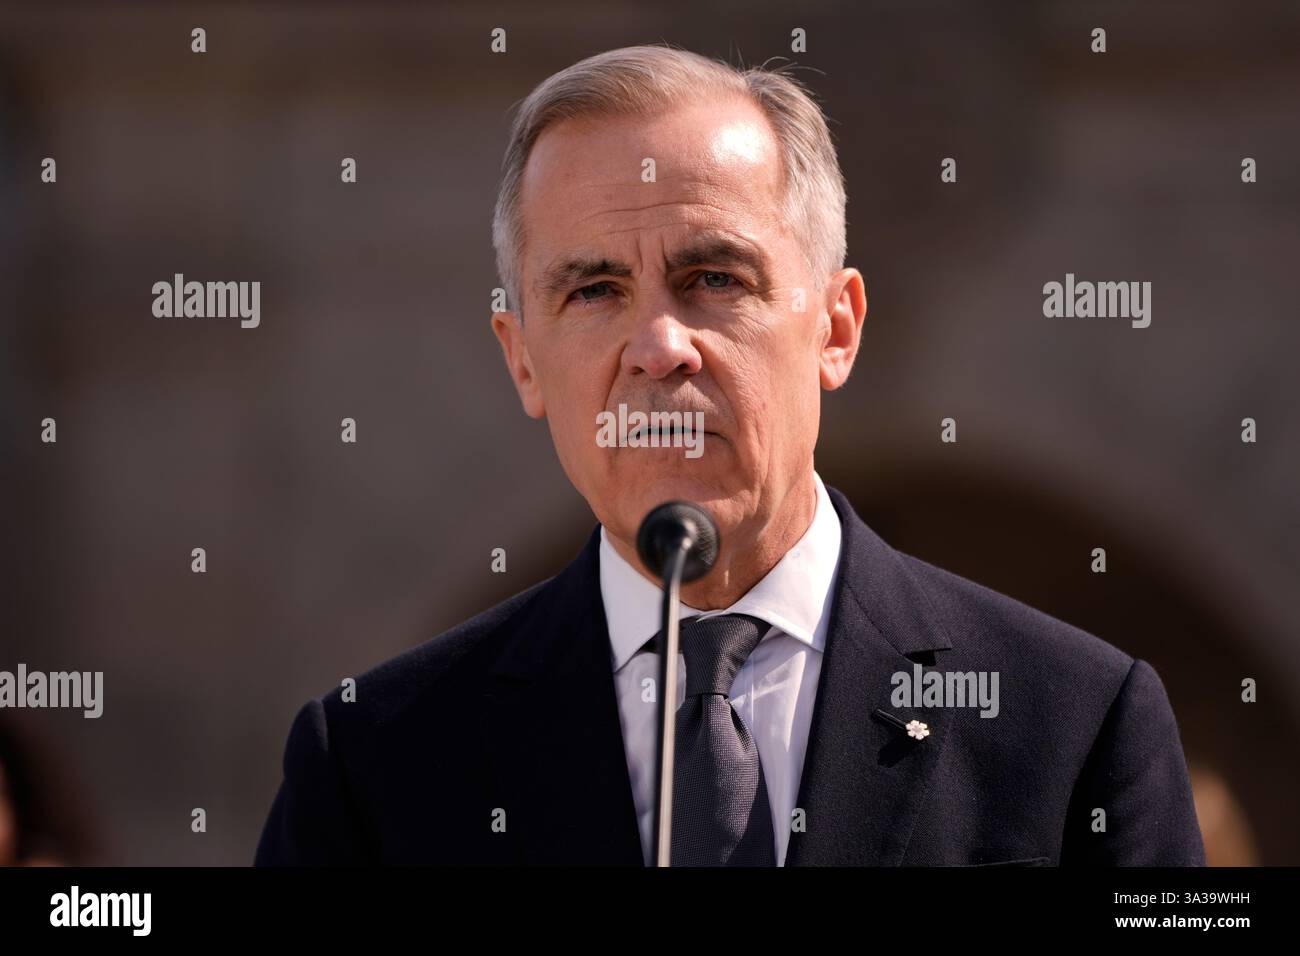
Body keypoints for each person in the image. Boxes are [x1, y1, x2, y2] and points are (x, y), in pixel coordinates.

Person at [255, 44, 1204, 866]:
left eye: (713, 277)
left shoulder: (1074, 722)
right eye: (593, 290)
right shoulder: (373, 764)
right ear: (521, 360)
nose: (660, 345)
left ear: (836, 327)